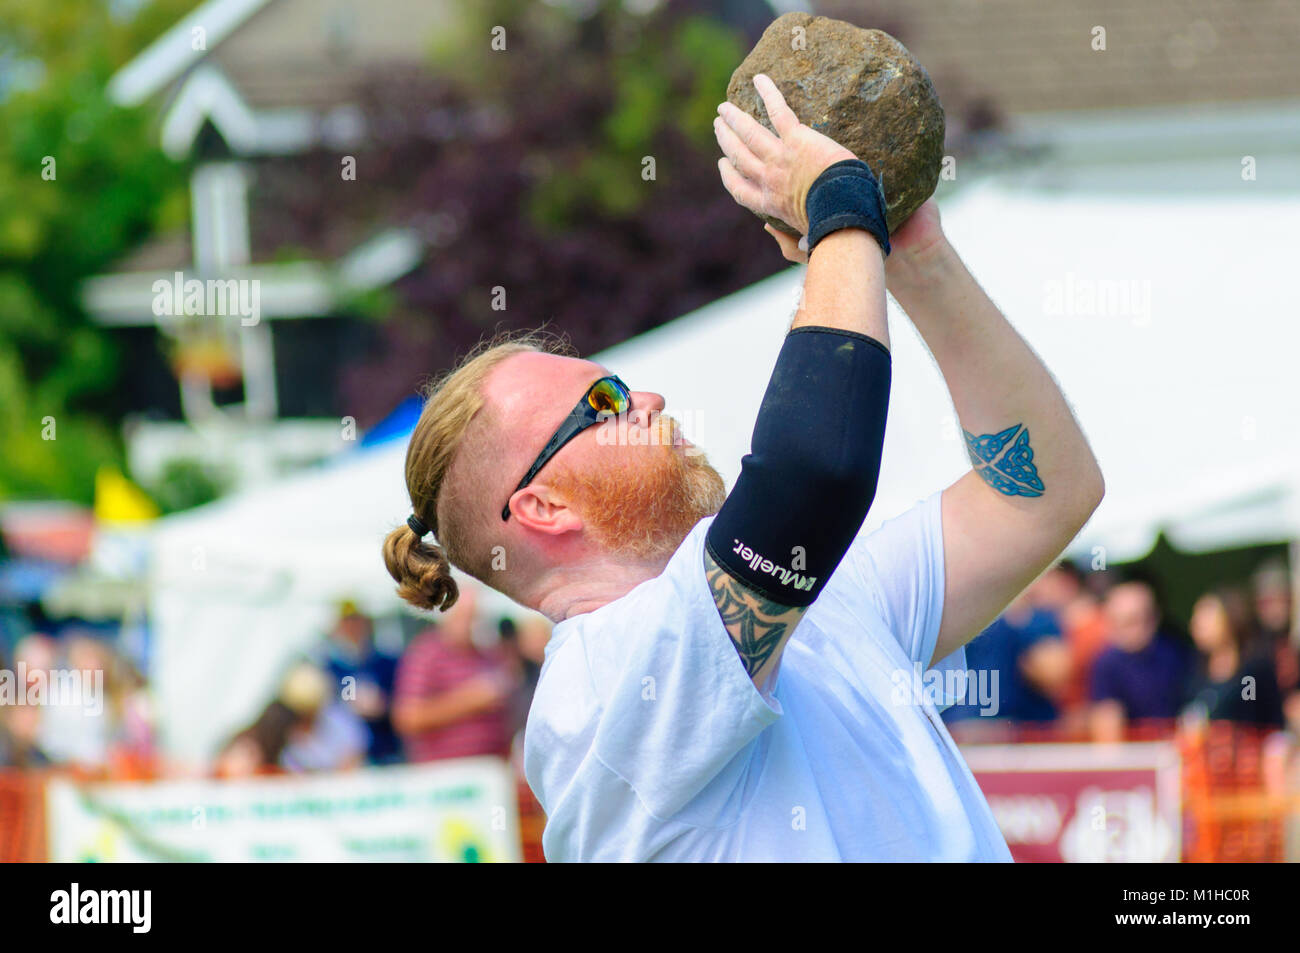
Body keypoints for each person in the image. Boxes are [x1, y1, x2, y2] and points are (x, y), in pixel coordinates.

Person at [381, 75, 1104, 861]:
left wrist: (919, 261)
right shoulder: (599, 683)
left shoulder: (818, 601)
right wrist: (840, 211)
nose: (647, 397)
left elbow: (1043, 496)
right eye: (603, 399)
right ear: (543, 506)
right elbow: (810, 478)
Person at [391, 584, 514, 762]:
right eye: (464, 617)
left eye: (474, 617)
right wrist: (469, 700)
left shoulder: (488, 654)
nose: (470, 624)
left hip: (490, 768)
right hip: (447, 775)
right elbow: (408, 717)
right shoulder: (425, 654)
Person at [944, 588, 1071, 727]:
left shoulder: (1038, 622)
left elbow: (1053, 675)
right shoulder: (958, 617)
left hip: (1021, 727)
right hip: (962, 724)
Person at [1088, 574, 1190, 740]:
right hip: (1136, 755)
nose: (1128, 630)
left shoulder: (1176, 652)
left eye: (1135, 620)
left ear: (1154, 617)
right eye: (1120, 621)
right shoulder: (1107, 663)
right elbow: (1107, 726)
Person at [1184, 587, 1284, 727]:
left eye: (1206, 619)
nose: (1196, 625)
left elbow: (1251, 716)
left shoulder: (1251, 671)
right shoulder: (1196, 665)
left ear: (1230, 620)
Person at [317, 600, 401, 764]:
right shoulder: (329, 668)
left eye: (356, 622)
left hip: (387, 748)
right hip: (348, 755)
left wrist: (385, 705)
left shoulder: (387, 663)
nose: (352, 629)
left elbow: (404, 702)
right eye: (347, 623)